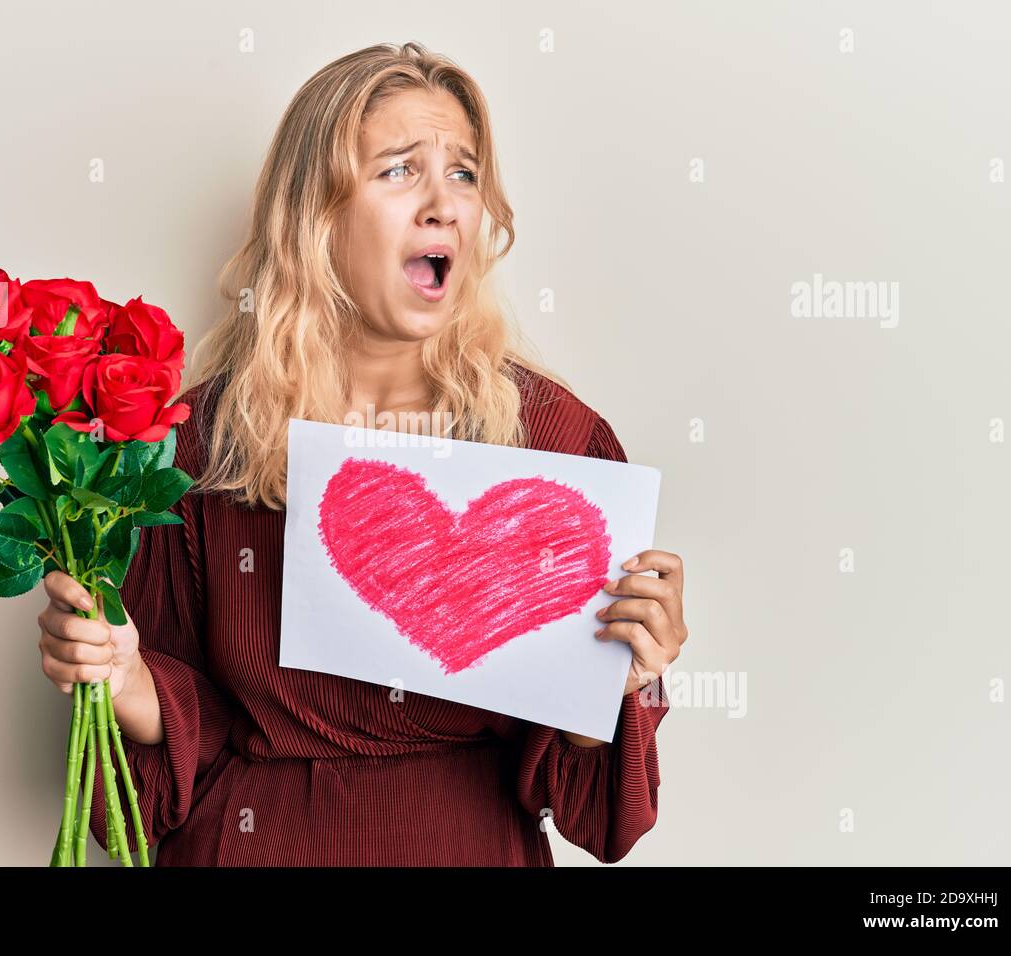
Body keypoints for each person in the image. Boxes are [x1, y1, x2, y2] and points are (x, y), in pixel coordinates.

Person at [36, 41, 689, 866]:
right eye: (399, 171)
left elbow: (600, 816)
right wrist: (126, 679)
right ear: (315, 216)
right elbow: (148, 800)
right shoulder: (201, 440)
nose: (444, 204)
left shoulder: (558, 440)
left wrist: (630, 679)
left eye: (462, 172)